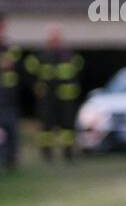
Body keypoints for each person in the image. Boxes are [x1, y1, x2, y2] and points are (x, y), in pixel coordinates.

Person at [24, 25, 84, 162]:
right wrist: (35, 86)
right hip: (47, 98)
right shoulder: (40, 55)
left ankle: (68, 153)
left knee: (67, 127)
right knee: (46, 127)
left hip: (66, 98)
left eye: (57, 36)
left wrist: (74, 89)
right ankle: (47, 155)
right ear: (48, 38)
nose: (55, 40)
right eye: (53, 37)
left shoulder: (69, 55)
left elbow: (79, 73)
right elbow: (27, 71)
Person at [0, 12, 22, 171]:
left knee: (10, 131)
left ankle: (10, 160)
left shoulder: (7, 47)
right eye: (1, 27)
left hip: (8, 99)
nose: (3, 31)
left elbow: (10, 63)